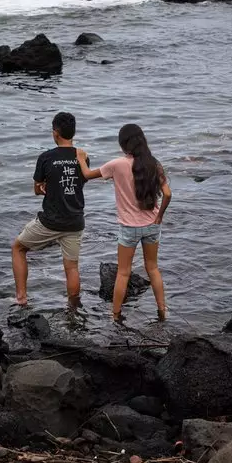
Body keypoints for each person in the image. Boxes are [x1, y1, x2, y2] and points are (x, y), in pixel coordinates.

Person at [76, 124, 171, 322]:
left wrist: (80, 159)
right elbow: (168, 194)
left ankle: (116, 315)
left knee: (123, 272)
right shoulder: (154, 164)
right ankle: (162, 311)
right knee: (153, 268)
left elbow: (86, 175)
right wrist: (160, 216)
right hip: (152, 224)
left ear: (123, 144)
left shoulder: (117, 164)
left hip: (129, 228)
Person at [12, 112, 90, 307]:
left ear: (55, 133)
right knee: (72, 268)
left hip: (51, 221)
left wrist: (46, 187)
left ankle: (21, 298)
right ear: (73, 132)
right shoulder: (82, 158)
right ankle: (73, 309)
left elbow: (37, 190)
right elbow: (78, 184)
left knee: (18, 248)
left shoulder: (46, 157)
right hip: (75, 221)